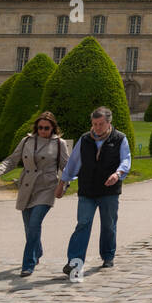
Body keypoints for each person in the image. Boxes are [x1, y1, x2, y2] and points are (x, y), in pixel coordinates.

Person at [0, 111, 69, 277]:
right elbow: (12, 160)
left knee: (34, 224)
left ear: (53, 128)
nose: (43, 131)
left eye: (46, 128)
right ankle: (37, 251)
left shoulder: (60, 144)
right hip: (27, 186)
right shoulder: (27, 141)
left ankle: (27, 264)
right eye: (40, 128)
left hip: (46, 187)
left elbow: (66, 167)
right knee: (29, 226)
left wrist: (63, 185)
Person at [58, 107, 130, 276]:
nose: (97, 128)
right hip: (87, 189)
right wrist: (62, 182)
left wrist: (117, 174)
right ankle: (74, 262)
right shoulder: (85, 139)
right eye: (94, 124)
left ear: (108, 123)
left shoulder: (119, 138)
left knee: (108, 225)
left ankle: (107, 256)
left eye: (101, 124)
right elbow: (73, 163)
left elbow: (126, 159)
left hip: (109, 190)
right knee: (83, 224)